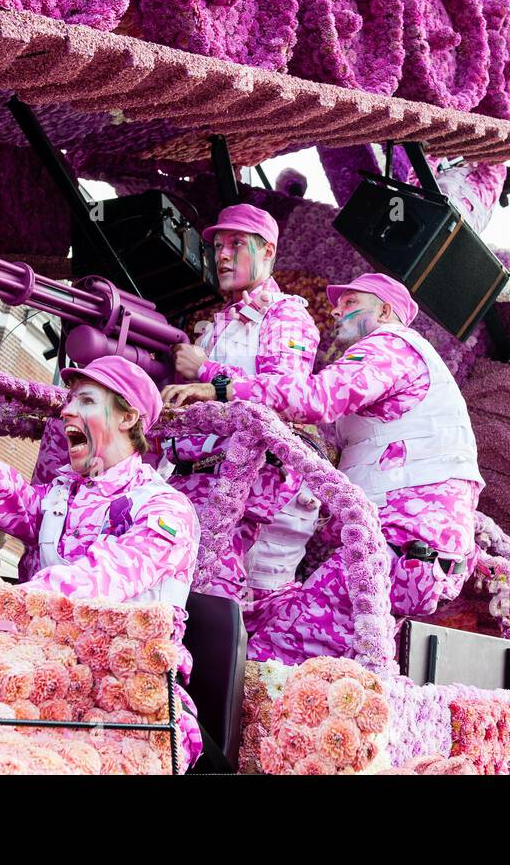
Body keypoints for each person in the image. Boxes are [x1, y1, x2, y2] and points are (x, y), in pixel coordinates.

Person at [0, 333, 204, 765]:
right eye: (70, 400)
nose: (66, 410)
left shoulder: (167, 509)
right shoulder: (61, 497)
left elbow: (99, 581)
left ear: (127, 418)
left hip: (132, 706)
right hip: (43, 674)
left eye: (84, 400)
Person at [165, 273, 485, 664]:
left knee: (269, 662)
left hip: (396, 548)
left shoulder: (391, 347)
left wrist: (215, 381)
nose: (336, 311)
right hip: (412, 554)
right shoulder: (406, 367)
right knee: (298, 650)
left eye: (351, 303)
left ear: (385, 311)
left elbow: (315, 398)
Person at [163, 202, 321, 602]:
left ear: (268, 250)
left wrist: (207, 372)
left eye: (236, 243)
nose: (223, 255)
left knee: (210, 588)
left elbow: (285, 395)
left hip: (243, 482)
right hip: (200, 476)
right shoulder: (225, 321)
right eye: (218, 247)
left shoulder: (284, 315)